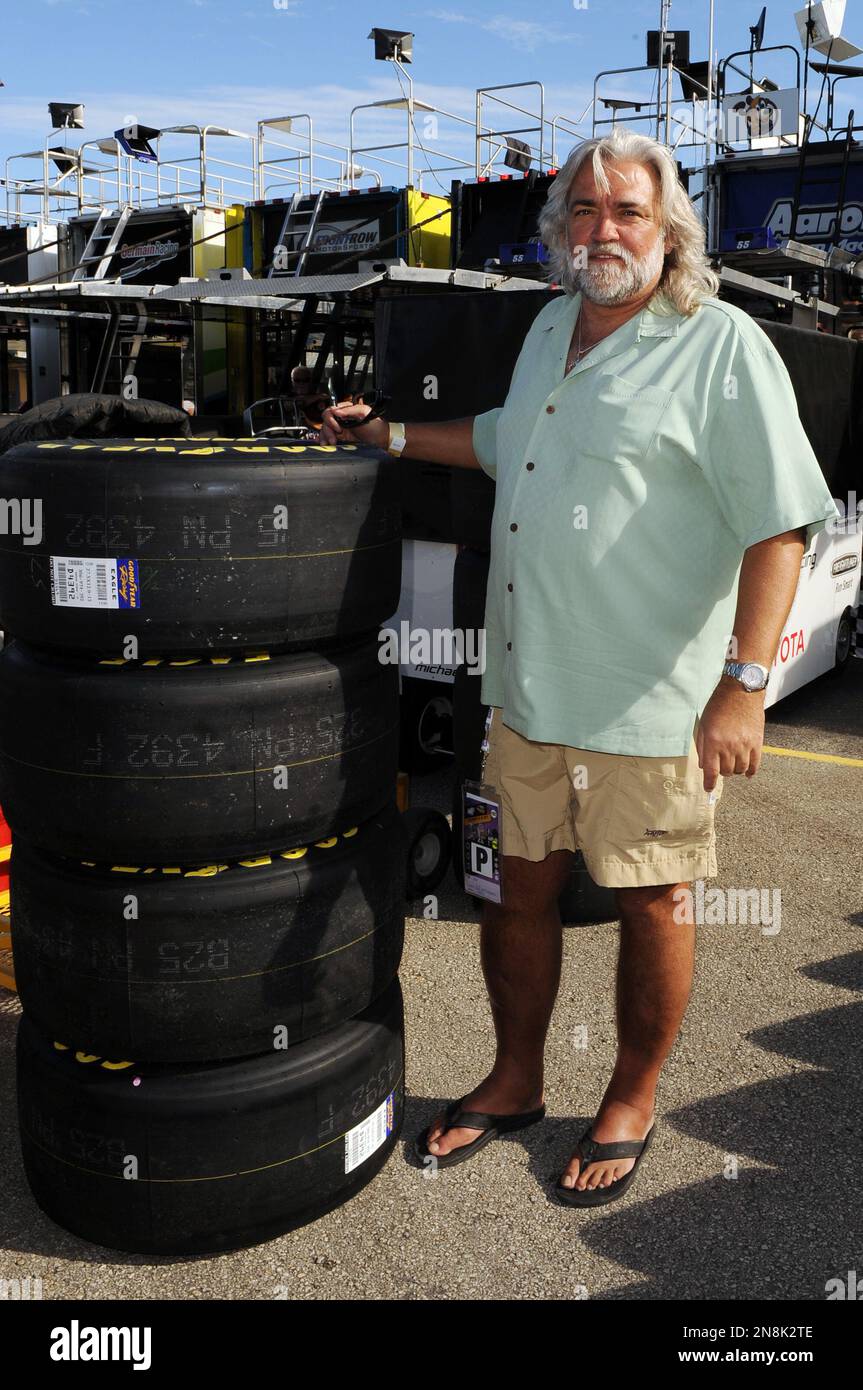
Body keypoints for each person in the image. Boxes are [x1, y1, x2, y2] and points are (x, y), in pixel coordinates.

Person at [319, 126, 840, 1207]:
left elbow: (779, 527)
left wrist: (741, 687)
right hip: (525, 690)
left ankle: (630, 1098)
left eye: (628, 212)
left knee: (652, 905)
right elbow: (512, 435)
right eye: (585, 212)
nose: (604, 230)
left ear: (670, 229)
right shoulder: (552, 322)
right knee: (515, 893)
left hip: (651, 704)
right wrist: (395, 438)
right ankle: (512, 1080)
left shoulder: (718, 343)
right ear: (558, 229)